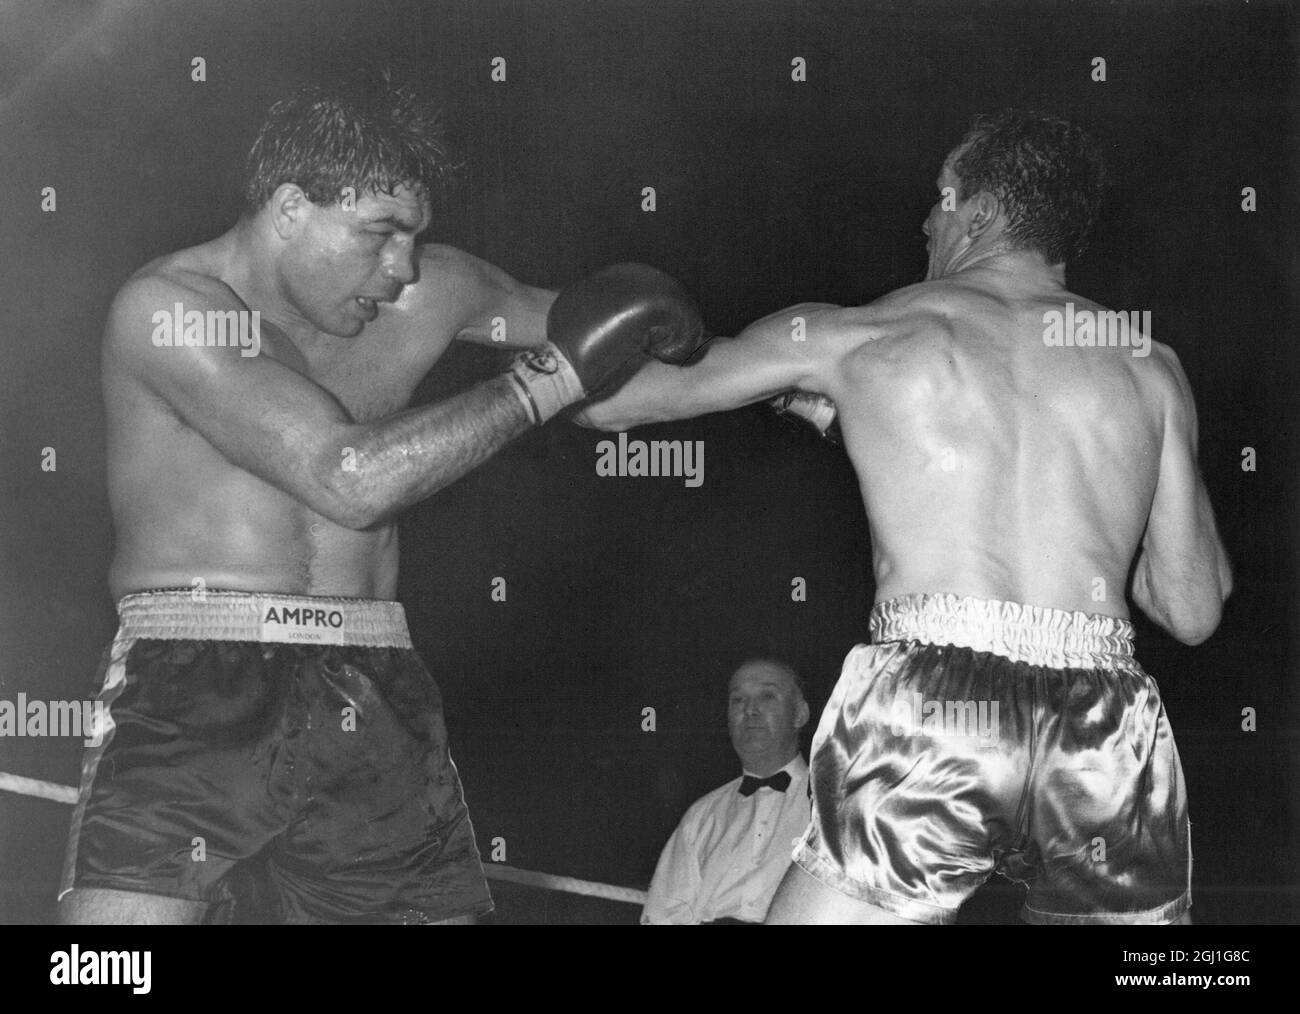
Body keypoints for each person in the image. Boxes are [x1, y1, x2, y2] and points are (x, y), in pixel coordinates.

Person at [59, 74, 707, 925]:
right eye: (380, 234)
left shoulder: (429, 289)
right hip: (193, 675)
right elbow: (348, 478)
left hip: (371, 680)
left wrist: (816, 372)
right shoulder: (168, 311)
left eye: (415, 236)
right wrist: (550, 381)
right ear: (291, 207)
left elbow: (621, 346)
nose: (402, 268)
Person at [579, 109, 1232, 925]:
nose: (929, 218)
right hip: (1102, 728)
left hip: (933, 705)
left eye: (944, 195)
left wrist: (538, 337)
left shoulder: (862, 334)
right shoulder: (1151, 368)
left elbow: (618, 404)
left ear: (982, 214)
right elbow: (1192, 608)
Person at [642, 659, 811, 925]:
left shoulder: (833, 808)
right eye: (738, 700)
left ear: (799, 714)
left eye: (767, 696)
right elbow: (664, 915)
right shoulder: (701, 816)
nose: (750, 710)